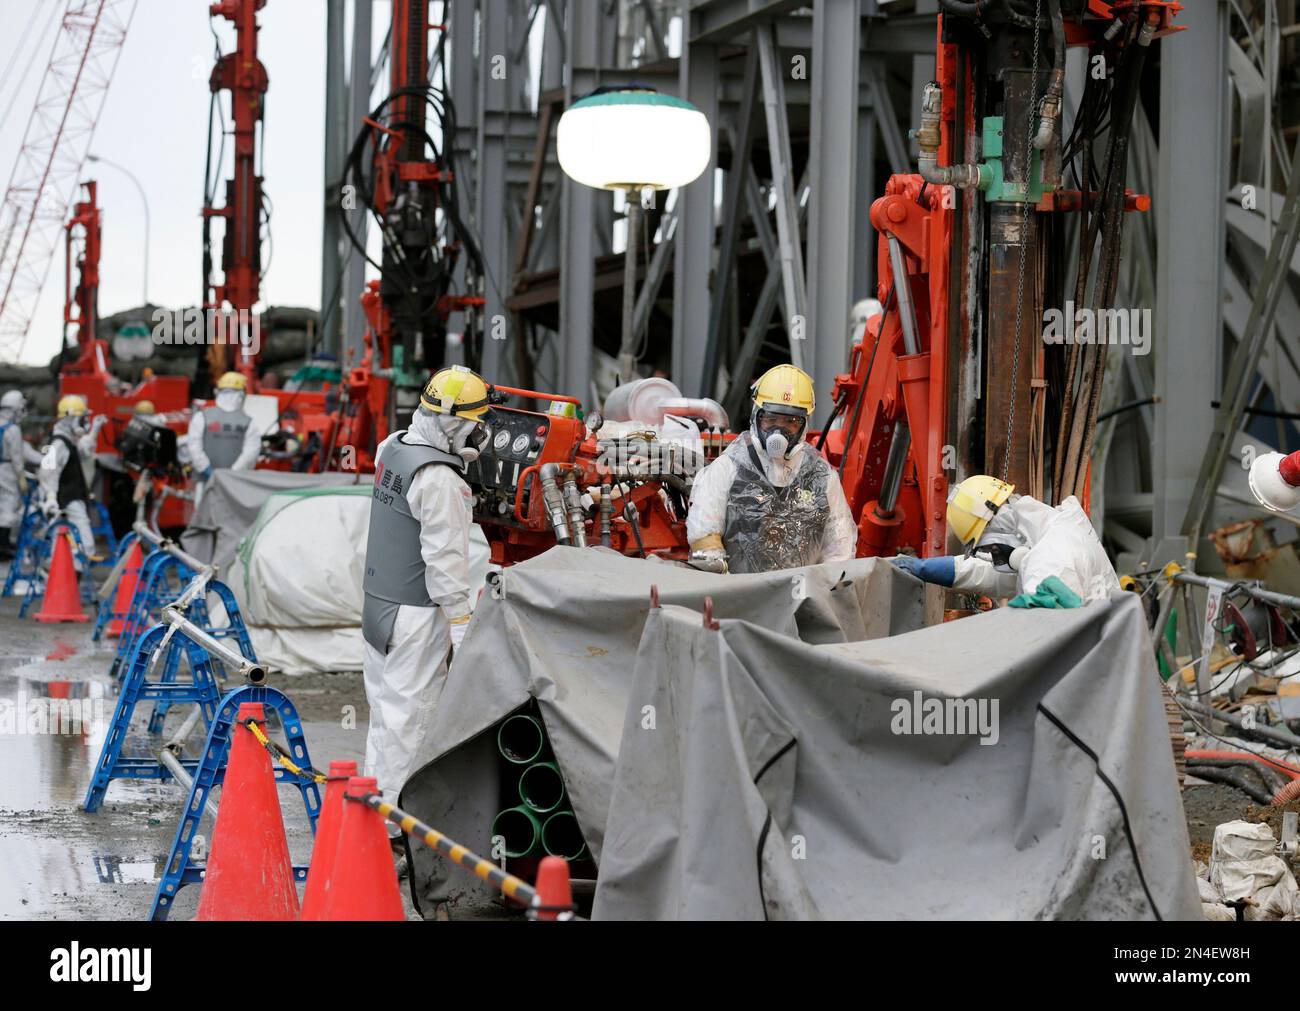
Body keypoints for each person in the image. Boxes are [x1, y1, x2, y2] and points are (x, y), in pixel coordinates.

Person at [361, 365, 491, 813]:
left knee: (383, 715)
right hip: (416, 616)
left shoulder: (392, 448)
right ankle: (396, 829)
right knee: (409, 723)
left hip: (378, 604)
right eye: (474, 425)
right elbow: (445, 563)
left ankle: (371, 811)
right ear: (455, 422)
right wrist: (460, 623)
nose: (477, 434)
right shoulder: (441, 480)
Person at [686, 363, 857, 574]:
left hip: (801, 601)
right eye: (771, 419)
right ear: (756, 417)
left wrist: (818, 594)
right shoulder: (729, 467)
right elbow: (704, 534)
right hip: (738, 598)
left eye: (791, 421)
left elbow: (840, 550)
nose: (780, 430)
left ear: (803, 424)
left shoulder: (822, 477)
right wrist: (727, 585)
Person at [890, 475, 1121, 606]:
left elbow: (1038, 636)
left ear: (1000, 521)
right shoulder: (1054, 528)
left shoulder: (1051, 560)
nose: (994, 557)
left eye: (990, 548)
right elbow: (997, 574)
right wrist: (929, 568)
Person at [38, 394, 106, 560]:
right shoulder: (58, 443)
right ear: (71, 419)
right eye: (81, 418)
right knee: (79, 531)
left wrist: (95, 431)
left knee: (72, 532)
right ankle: (73, 566)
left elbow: (84, 451)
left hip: (70, 495)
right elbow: (47, 472)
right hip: (65, 497)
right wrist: (51, 497)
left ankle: (72, 564)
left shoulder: (68, 439)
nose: (84, 422)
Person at [185, 371, 260, 504]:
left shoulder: (202, 417)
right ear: (242, 394)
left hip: (207, 481)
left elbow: (194, 447)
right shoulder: (249, 422)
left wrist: (208, 471)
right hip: (236, 483)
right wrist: (231, 474)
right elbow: (251, 453)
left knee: (203, 517)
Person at [0, 390, 44, 560]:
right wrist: (21, 478)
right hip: (7, 471)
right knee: (8, 507)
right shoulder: (13, 430)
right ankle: (3, 546)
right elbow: (18, 458)